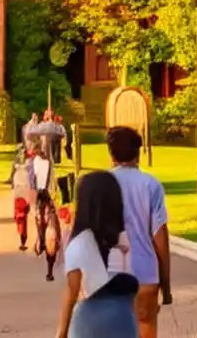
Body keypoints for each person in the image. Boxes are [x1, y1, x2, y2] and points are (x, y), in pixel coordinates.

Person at [106, 127, 172, 338]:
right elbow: (159, 235)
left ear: (111, 153)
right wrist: (166, 285)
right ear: (139, 152)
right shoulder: (151, 185)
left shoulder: (102, 184)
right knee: (146, 328)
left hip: (108, 274)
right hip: (145, 273)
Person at [55, 171, 138, 338]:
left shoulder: (79, 244)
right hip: (124, 317)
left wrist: (61, 333)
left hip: (88, 319)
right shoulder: (126, 239)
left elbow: (72, 291)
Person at [31, 136, 61, 281]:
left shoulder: (39, 163)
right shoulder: (43, 163)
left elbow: (32, 182)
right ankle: (41, 241)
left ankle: (41, 240)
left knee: (47, 230)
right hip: (45, 199)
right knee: (50, 230)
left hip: (44, 199)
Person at [11, 144, 37, 251]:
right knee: (22, 215)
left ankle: (22, 236)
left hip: (20, 190)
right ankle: (23, 236)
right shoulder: (28, 165)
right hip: (23, 190)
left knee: (20, 215)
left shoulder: (23, 166)